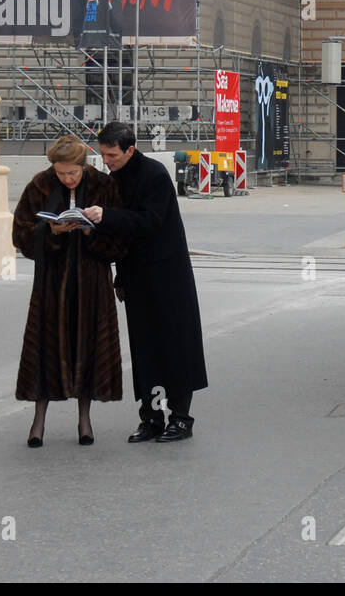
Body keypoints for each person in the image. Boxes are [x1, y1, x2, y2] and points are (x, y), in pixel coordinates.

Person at [83, 122, 208, 442]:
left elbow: (149, 222)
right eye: (103, 154)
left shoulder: (154, 175)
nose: (106, 160)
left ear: (130, 150)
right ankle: (151, 418)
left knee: (175, 346)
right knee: (145, 350)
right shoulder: (115, 178)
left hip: (168, 276)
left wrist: (105, 216)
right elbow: (122, 234)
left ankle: (181, 418)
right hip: (136, 276)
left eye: (112, 155)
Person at [12, 135, 124, 447]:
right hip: (51, 282)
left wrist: (91, 232)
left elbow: (120, 239)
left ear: (83, 166)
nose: (67, 179)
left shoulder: (104, 186)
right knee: (44, 349)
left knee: (88, 345)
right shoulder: (40, 185)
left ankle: (84, 420)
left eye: (72, 173)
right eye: (61, 173)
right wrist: (50, 232)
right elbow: (20, 234)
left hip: (92, 281)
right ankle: (38, 421)